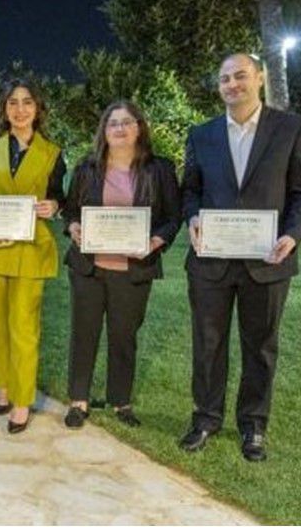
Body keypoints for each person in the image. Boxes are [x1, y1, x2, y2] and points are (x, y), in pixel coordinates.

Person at [180, 53, 301, 461]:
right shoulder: (201, 135)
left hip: (268, 261)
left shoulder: (292, 129)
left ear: (259, 78)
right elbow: (191, 190)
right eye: (224, 78)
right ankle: (205, 419)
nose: (232, 84)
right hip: (211, 262)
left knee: (260, 347)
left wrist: (292, 235)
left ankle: (253, 427)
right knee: (207, 344)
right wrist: (192, 218)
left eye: (240, 75)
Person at [63, 100, 181, 429]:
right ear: (104, 130)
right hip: (88, 267)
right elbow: (71, 211)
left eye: (127, 122)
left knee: (124, 335)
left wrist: (156, 242)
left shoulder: (160, 169)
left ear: (139, 127)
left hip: (134, 269)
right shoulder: (87, 168)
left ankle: (121, 400)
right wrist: (73, 227)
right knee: (83, 333)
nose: (119, 128)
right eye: (112, 123)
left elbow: (173, 217)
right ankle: (79, 400)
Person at [0, 80, 65, 434]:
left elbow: (58, 197)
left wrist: (53, 205)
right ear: (4, 109)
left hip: (29, 250)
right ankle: (3, 386)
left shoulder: (52, 153)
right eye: (13, 103)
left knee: (24, 327)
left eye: (27, 103)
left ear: (37, 109)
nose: (20, 109)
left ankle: (22, 400)